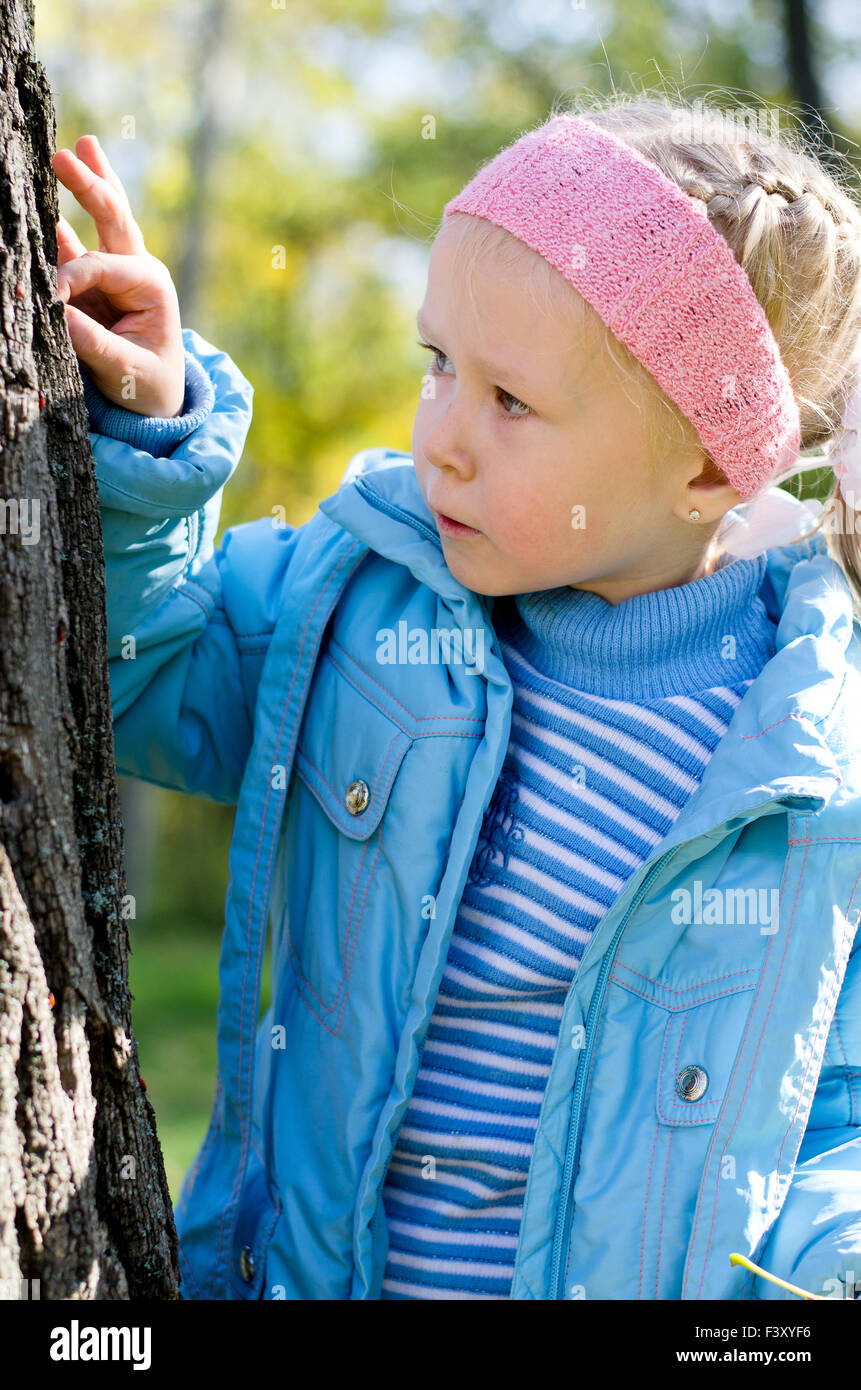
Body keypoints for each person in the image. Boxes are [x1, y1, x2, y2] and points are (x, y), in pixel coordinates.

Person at [52, 92, 861, 1301]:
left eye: (510, 402)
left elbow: (826, 1108)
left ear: (704, 463)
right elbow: (149, 669)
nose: (441, 439)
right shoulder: (367, 600)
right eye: (440, 365)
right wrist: (151, 435)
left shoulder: (812, 766)